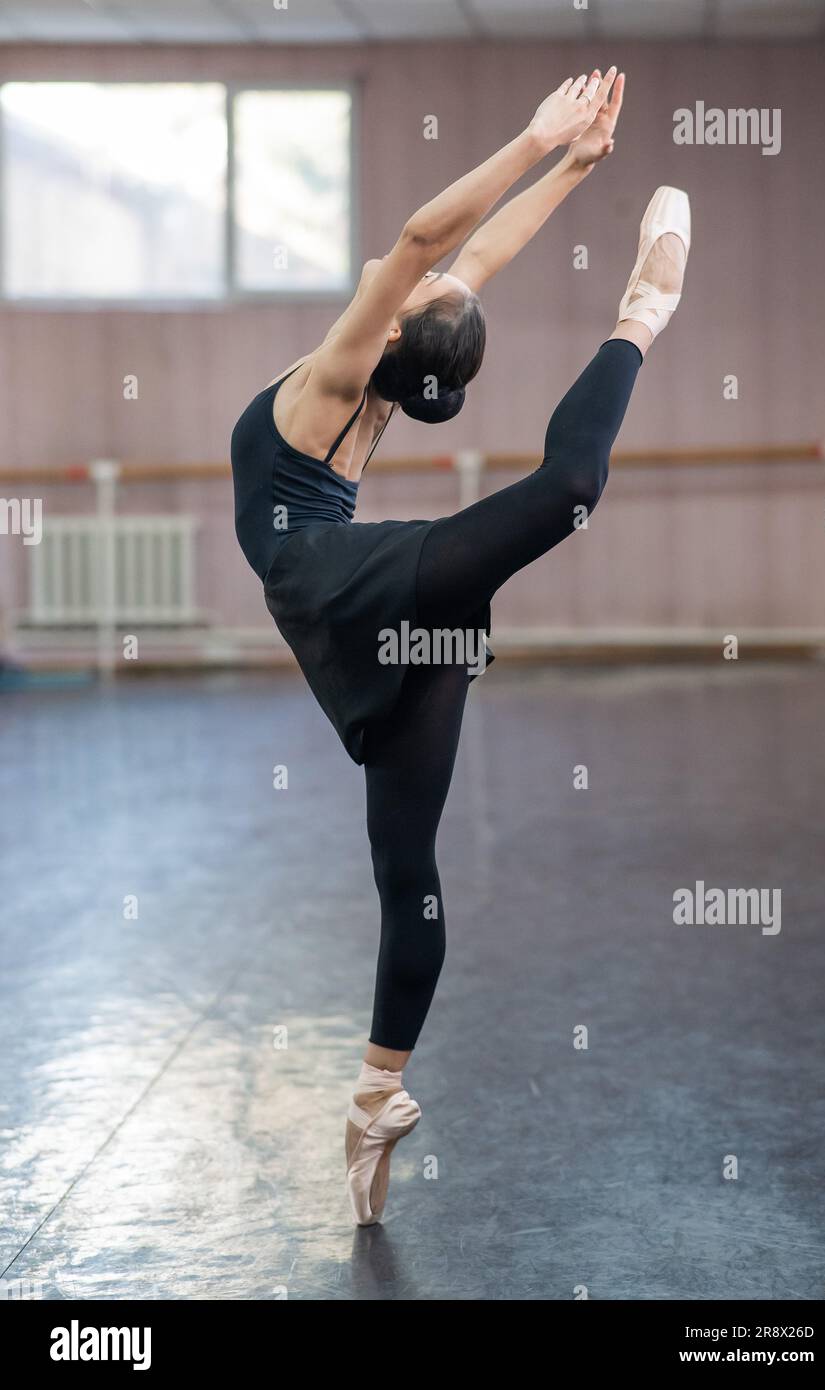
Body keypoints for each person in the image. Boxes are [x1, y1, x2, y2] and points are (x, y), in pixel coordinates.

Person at [230, 68, 690, 1225]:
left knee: (410, 878)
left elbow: (451, 246)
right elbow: (448, 245)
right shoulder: (355, 373)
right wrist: (551, 152)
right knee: (568, 487)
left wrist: (560, 155)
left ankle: (376, 1095)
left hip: (352, 603)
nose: (436, 274)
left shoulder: (364, 360)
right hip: (336, 580)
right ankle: (642, 316)